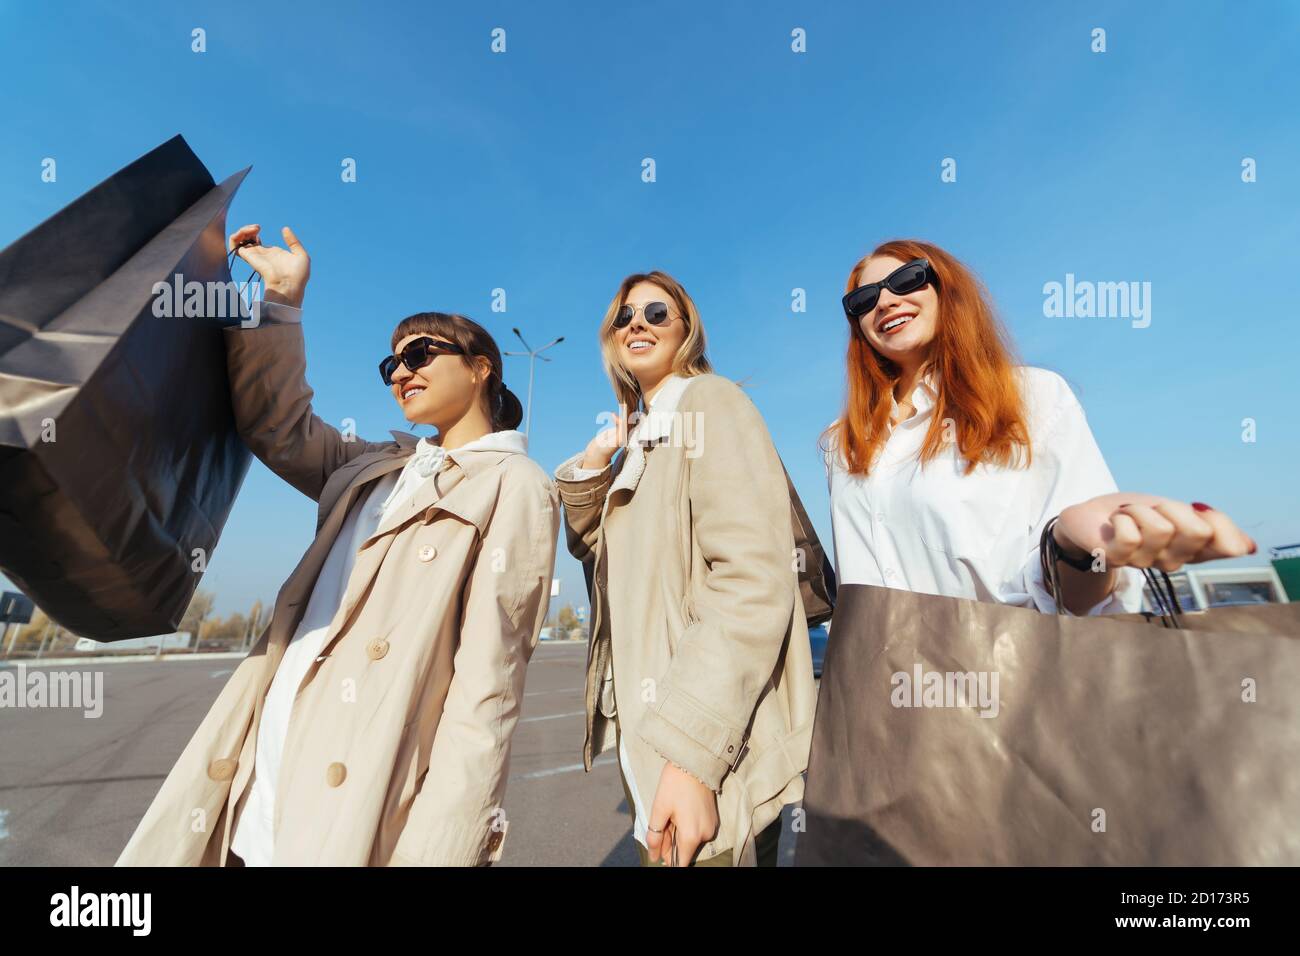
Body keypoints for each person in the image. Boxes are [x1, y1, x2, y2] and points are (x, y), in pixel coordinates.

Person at [116, 224, 559, 866]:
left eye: (421, 354)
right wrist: (281, 300)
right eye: (391, 364)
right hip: (259, 773)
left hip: (350, 800)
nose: (401, 373)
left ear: (482, 366)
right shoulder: (373, 466)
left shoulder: (514, 484)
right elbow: (279, 425)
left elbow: (488, 686)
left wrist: (444, 849)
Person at [824, 238, 1255, 615]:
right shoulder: (840, 444)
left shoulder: (1031, 397)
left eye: (906, 280)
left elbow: (1081, 602)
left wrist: (1074, 545)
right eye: (863, 300)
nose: (884, 301)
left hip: (1003, 686)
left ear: (947, 289)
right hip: (876, 690)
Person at [553, 270, 816, 866]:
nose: (636, 324)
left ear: (687, 330)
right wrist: (596, 462)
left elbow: (750, 582)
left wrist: (693, 756)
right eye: (624, 316)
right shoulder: (644, 442)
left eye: (655, 313)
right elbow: (592, 549)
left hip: (702, 747)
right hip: (658, 733)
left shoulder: (710, 403)